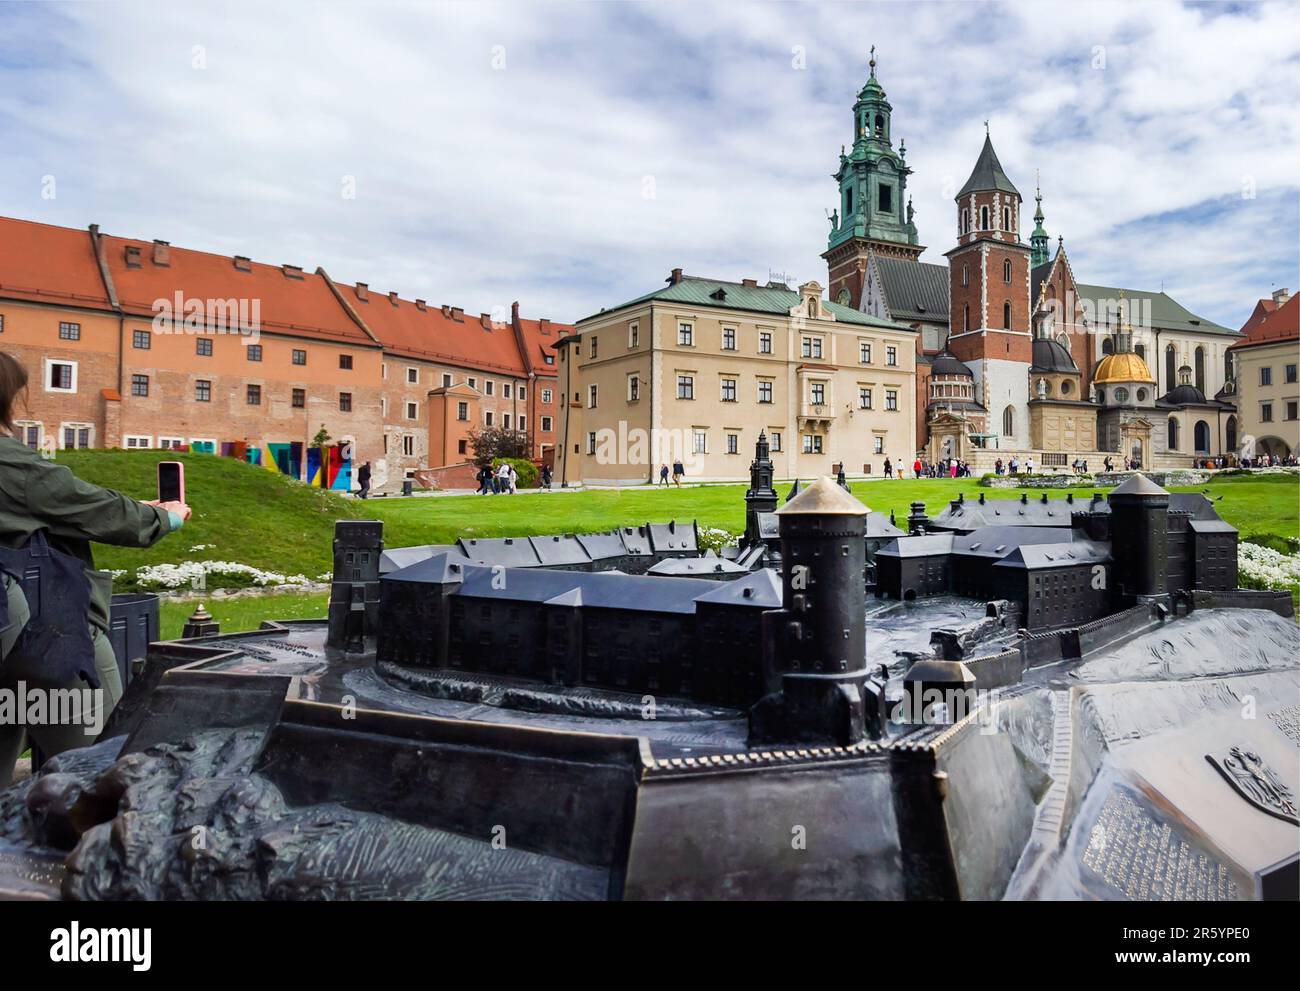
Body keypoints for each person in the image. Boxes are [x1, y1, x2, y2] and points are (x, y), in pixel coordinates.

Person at [0, 353, 191, 785]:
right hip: (50, 637)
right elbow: (94, 508)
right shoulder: (14, 463)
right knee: (96, 771)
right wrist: (165, 516)